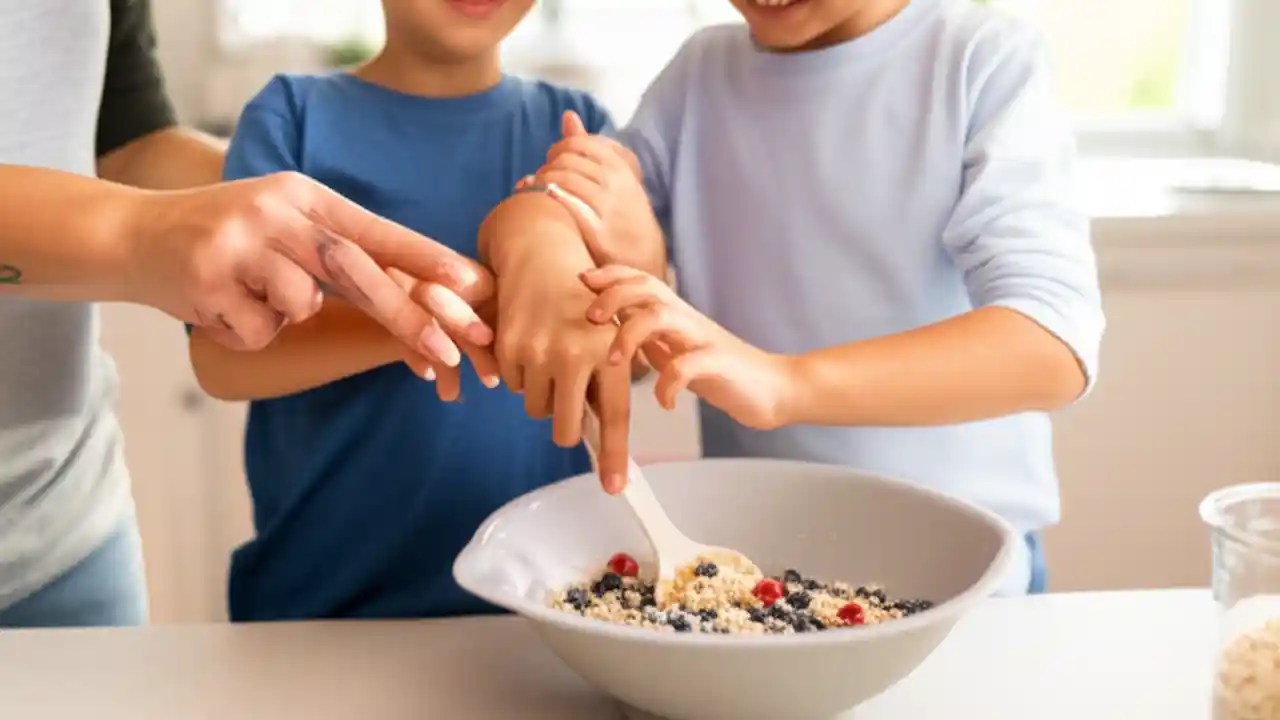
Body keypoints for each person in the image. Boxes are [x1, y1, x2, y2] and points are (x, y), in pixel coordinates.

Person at [488, 0, 1106, 596]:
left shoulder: (982, 61)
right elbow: (556, 204)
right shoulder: (700, 76)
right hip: (772, 575)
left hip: (970, 577)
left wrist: (785, 384)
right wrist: (547, 254)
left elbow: (1052, 344)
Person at [0, 0, 488, 628]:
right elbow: (218, 353)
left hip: (63, 529)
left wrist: (349, 212)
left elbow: (127, 138)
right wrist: (139, 234)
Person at [187, 0, 620, 621]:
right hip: (318, 611)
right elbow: (219, 360)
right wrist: (406, 317)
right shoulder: (293, 116)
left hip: (536, 611)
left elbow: (626, 363)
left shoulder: (578, 135)